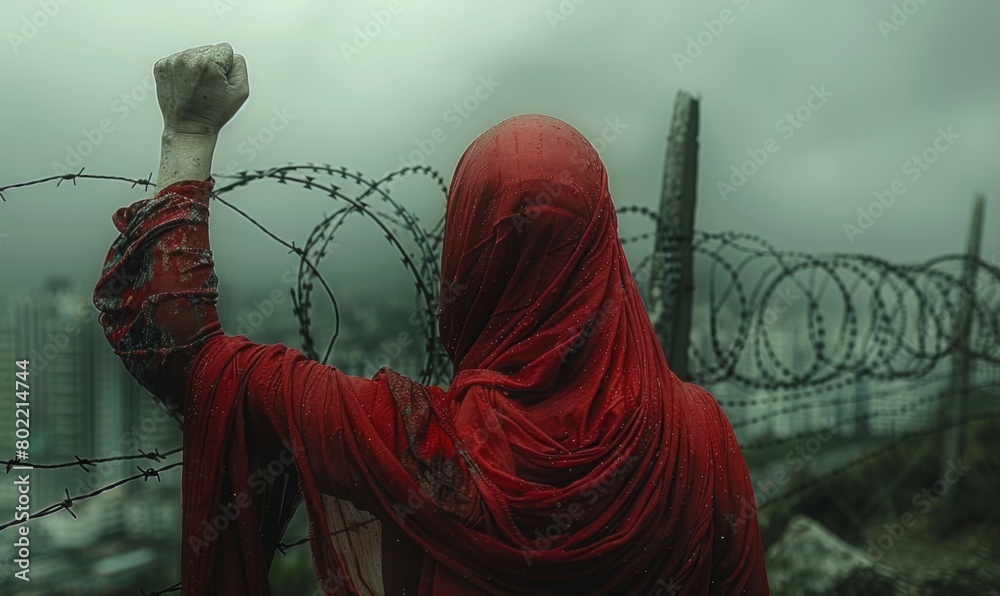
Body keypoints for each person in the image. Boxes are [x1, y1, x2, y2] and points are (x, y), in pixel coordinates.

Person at [93, 43, 770, 595]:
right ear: (604, 249)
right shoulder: (700, 435)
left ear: (468, 258)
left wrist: (188, 135)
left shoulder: (416, 449)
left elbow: (180, 350)